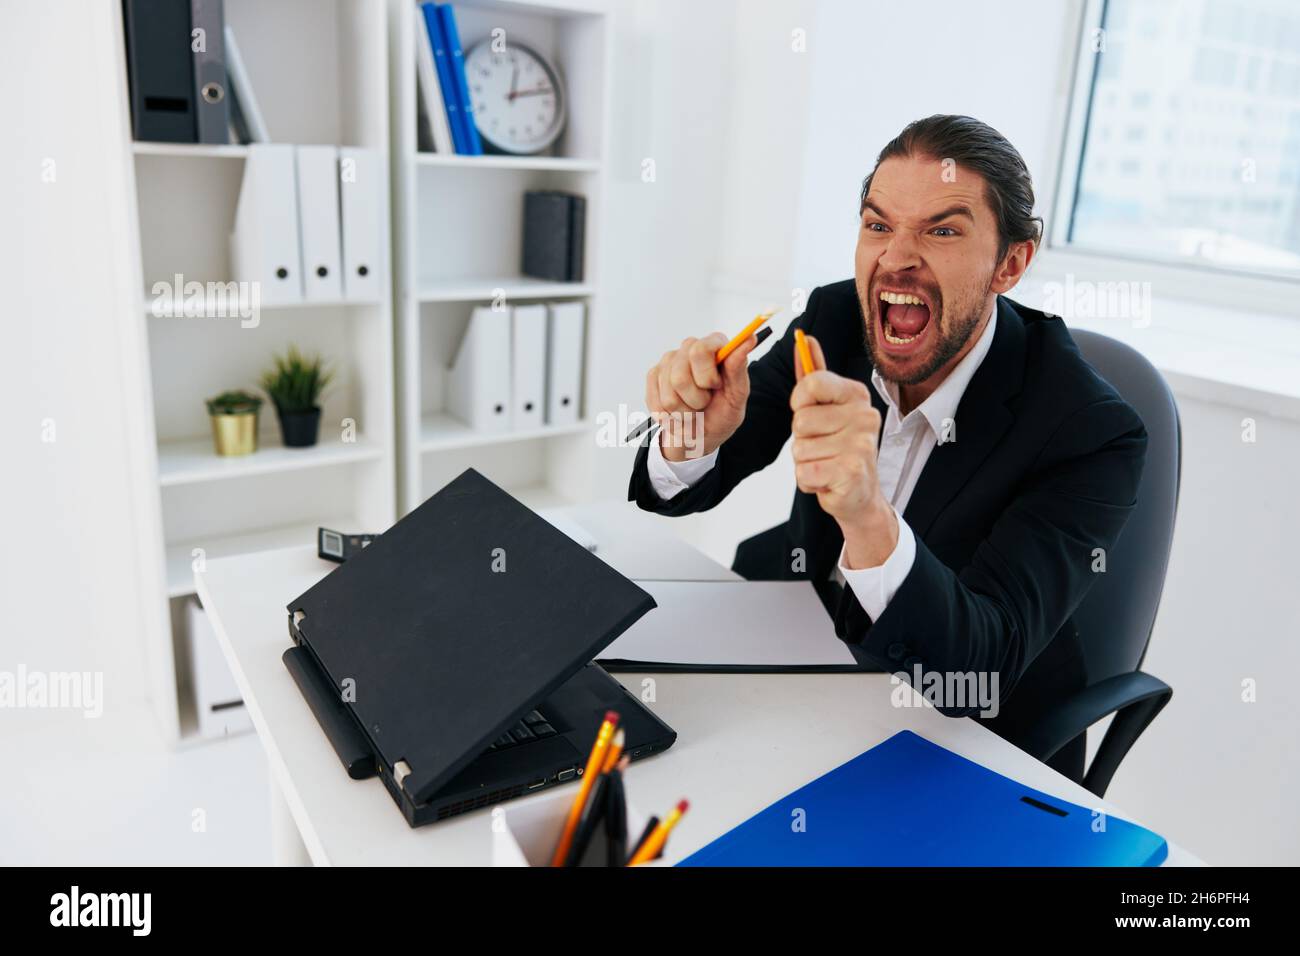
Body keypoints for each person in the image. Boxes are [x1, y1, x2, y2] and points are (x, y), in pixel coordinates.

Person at [627, 115, 1148, 778]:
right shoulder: (836, 318)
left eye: (942, 230)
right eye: (878, 225)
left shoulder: (1091, 431)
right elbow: (678, 488)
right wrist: (693, 428)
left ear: (1010, 263)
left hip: (959, 737)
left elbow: (977, 665)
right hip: (805, 673)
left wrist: (866, 515)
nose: (896, 257)